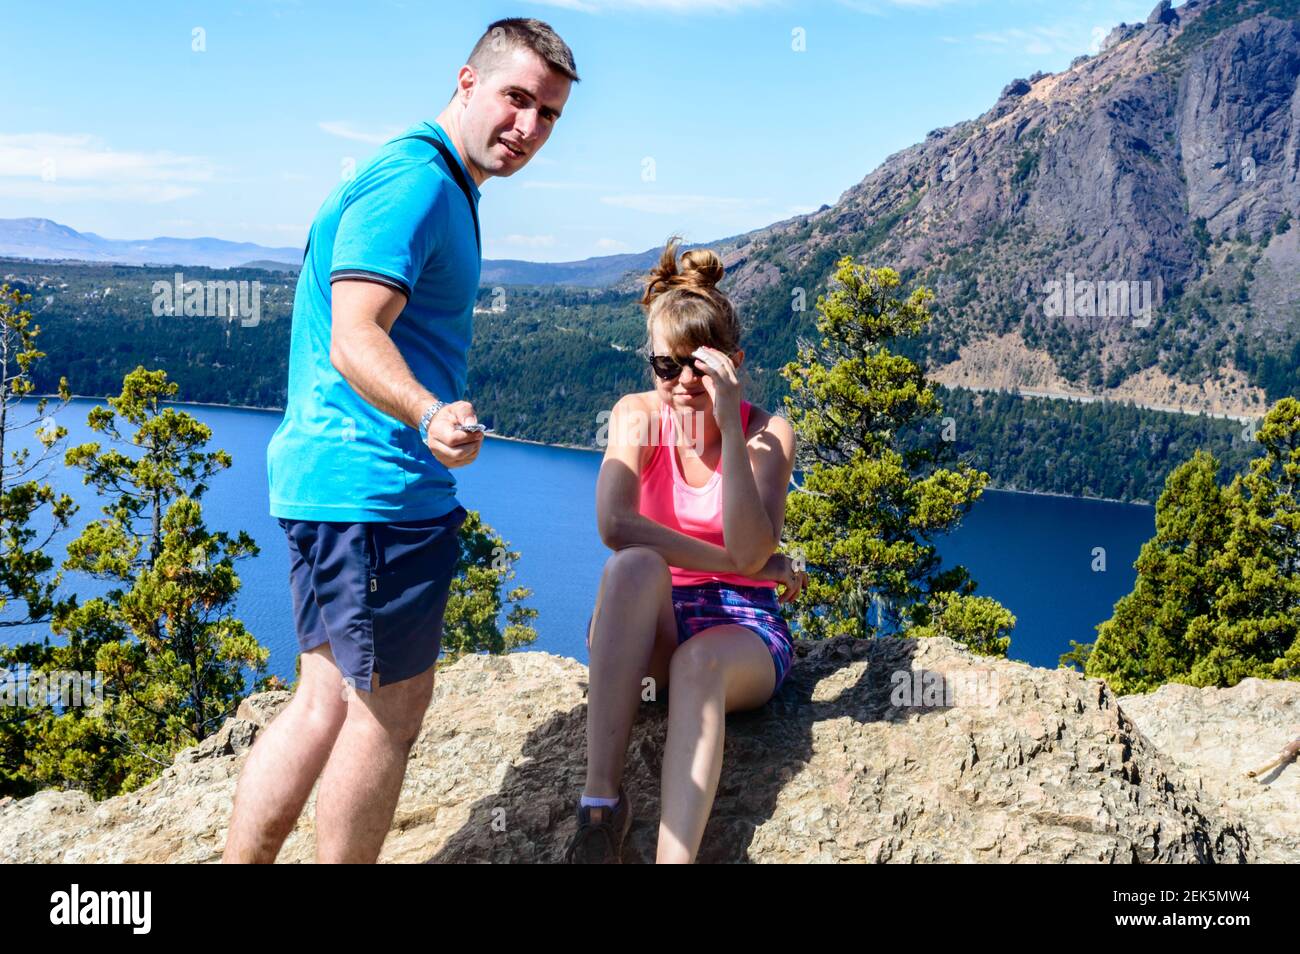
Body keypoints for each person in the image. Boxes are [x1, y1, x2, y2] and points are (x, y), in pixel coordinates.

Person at [223, 18, 577, 864]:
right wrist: (428, 413)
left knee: (322, 700)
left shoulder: (431, 179)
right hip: (375, 491)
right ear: (467, 81)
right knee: (388, 714)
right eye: (515, 98)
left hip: (328, 485)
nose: (527, 127)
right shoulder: (414, 184)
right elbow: (354, 334)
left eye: (549, 114)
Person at [566, 236, 807, 863]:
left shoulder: (767, 434)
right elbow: (615, 525)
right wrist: (738, 565)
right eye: (664, 366)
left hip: (741, 633)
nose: (679, 383)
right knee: (632, 564)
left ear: (732, 362)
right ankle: (600, 813)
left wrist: (729, 426)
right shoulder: (636, 416)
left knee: (698, 664)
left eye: (697, 367)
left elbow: (753, 544)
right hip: (655, 626)